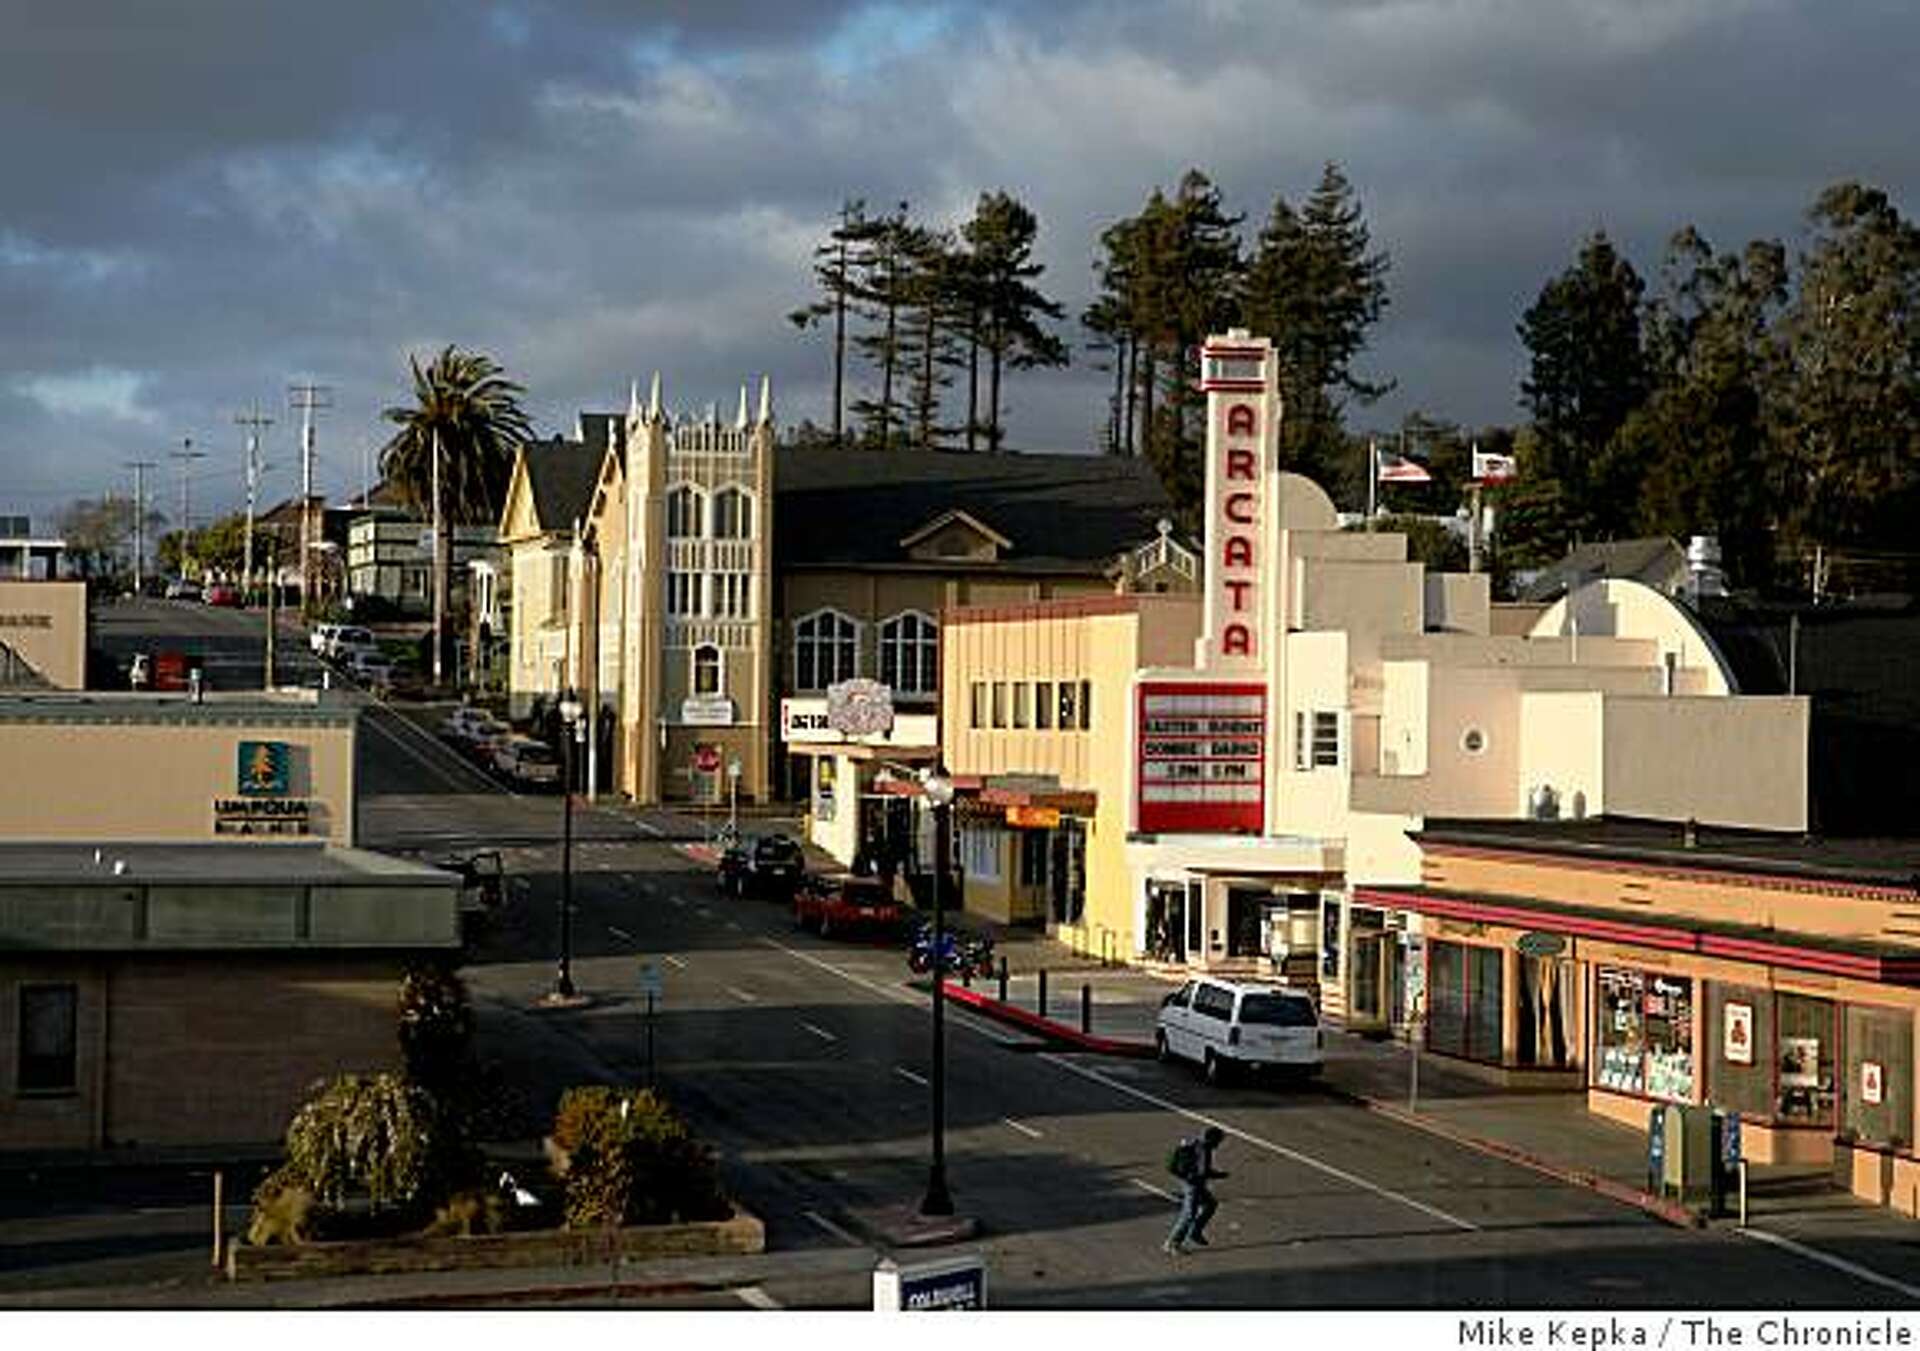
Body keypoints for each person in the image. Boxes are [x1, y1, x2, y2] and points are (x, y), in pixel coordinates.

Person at [1163, 1125, 1227, 1255]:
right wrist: (1219, 1175)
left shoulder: (1195, 1142)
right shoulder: (1204, 1149)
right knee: (1189, 1214)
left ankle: (1195, 1232)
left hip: (1189, 1180)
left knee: (1211, 1204)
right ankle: (1172, 1243)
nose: (1219, 1144)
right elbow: (1203, 1171)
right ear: (1212, 1139)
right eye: (1218, 1141)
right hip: (1193, 1184)